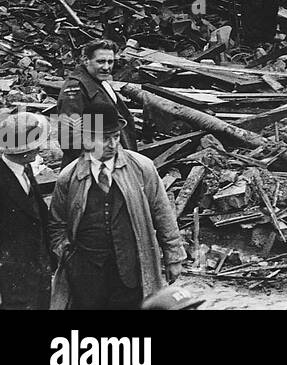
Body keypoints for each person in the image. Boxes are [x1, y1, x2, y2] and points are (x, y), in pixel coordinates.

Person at [48, 106, 186, 309]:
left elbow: (163, 214)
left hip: (130, 272)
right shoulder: (69, 177)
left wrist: (174, 257)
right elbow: (56, 224)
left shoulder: (141, 168)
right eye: (105, 138)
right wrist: (66, 254)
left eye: (115, 136)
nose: (113, 144)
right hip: (86, 274)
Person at [0, 112, 54, 309]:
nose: (39, 148)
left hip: (38, 267)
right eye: (35, 145)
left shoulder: (24, 168)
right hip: (13, 276)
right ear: (24, 152)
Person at [58, 39, 137, 155]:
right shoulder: (76, 88)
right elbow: (69, 139)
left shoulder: (99, 82)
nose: (106, 67)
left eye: (110, 62)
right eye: (100, 61)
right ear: (86, 60)